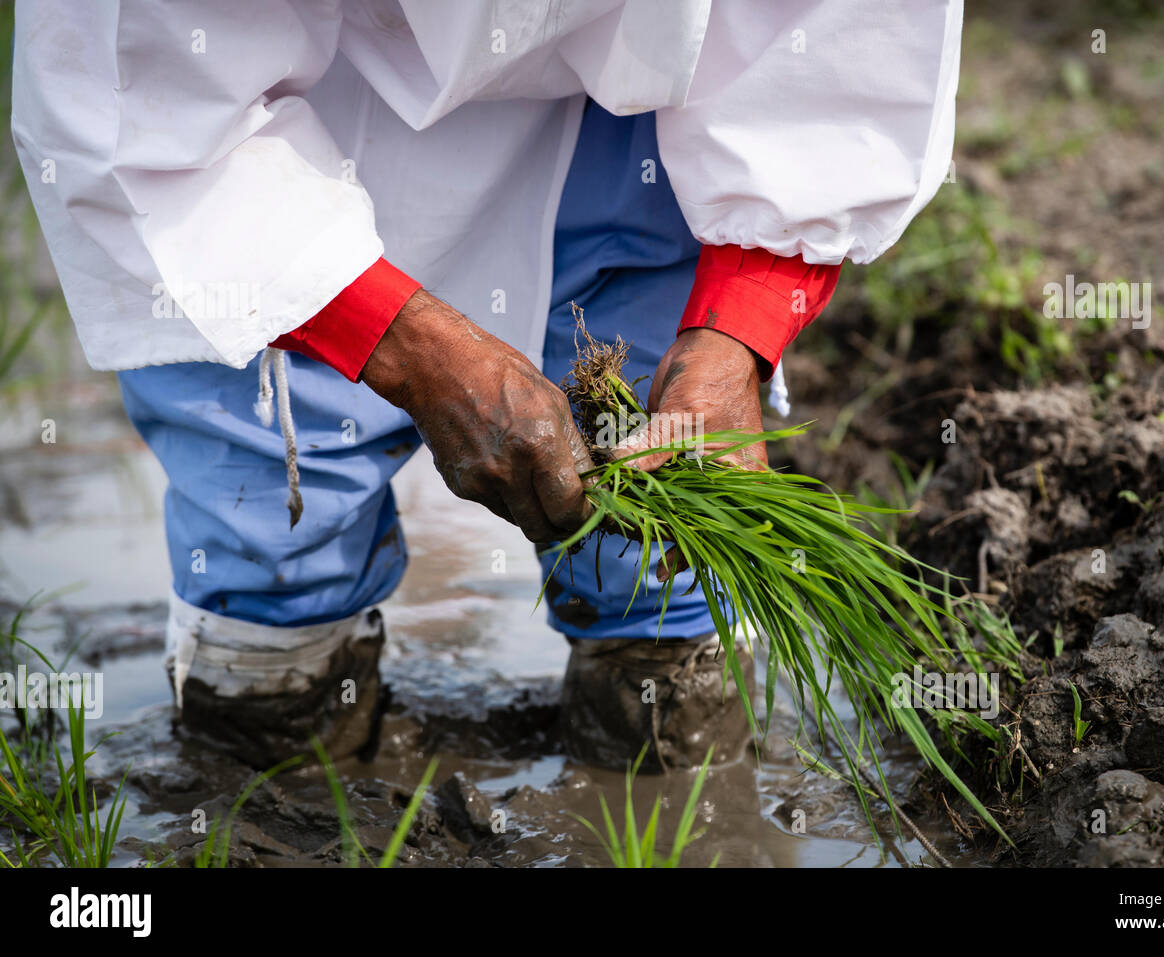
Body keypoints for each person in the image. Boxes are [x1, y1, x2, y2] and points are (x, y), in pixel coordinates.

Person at [12, 0, 962, 769]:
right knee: (271, 572)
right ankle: (275, 726)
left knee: (656, 560)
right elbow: (139, 100)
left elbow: (837, 45)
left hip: (627, 121)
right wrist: (414, 351)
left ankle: (661, 723)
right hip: (281, 117)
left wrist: (731, 336)